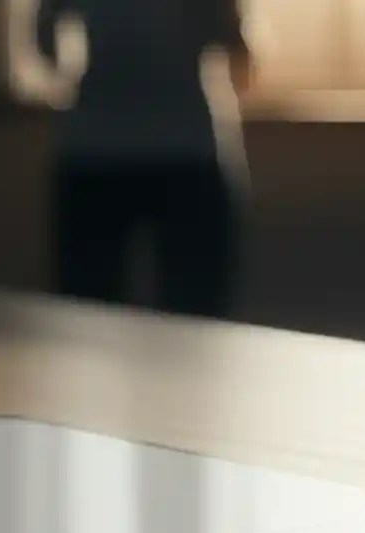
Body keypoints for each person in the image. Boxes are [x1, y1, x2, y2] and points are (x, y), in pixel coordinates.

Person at [36, 0, 253, 318]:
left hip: (97, 148)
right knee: (196, 318)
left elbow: (45, 43)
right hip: (185, 151)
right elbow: (240, 59)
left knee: (87, 314)